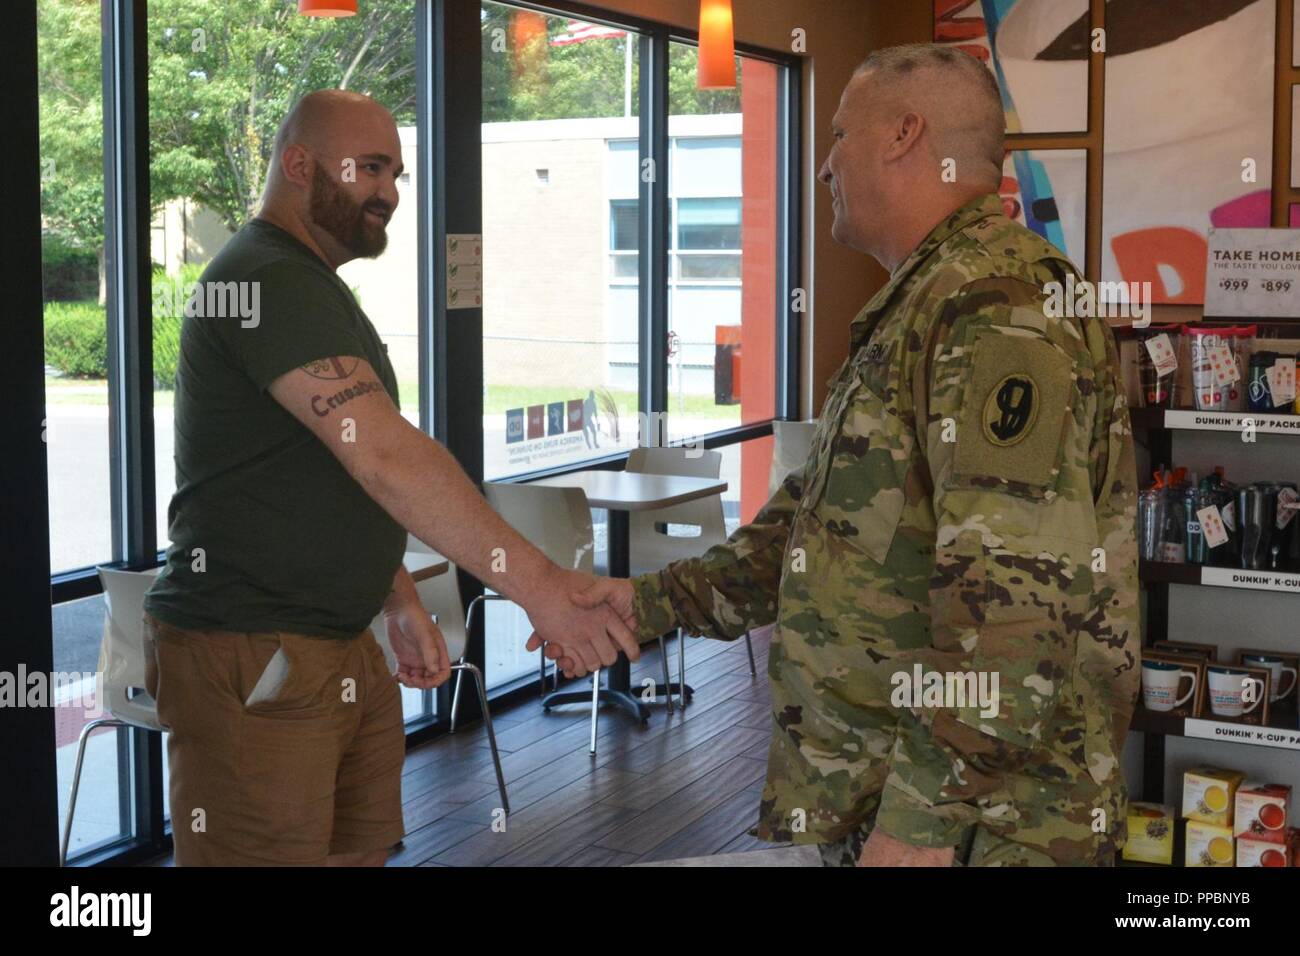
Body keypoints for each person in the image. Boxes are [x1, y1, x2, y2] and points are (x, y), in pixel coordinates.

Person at [567, 44, 1140, 867]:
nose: (825, 165)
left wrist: (919, 827)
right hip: (874, 807)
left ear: (906, 135)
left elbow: (1014, 607)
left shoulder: (998, 304)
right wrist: (641, 606)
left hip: (986, 835)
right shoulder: (928, 300)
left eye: (838, 134)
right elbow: (812, 534)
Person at [142, 89, 637, 866]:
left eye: (397, 174)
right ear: (298, 165)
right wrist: (542, 587)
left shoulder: (310, 283)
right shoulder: (268, 279)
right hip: (254, 650)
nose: (389, 193)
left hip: (339, 645)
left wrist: (397, 594)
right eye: (369, 168)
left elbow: (325, 475)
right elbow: (384, 454)